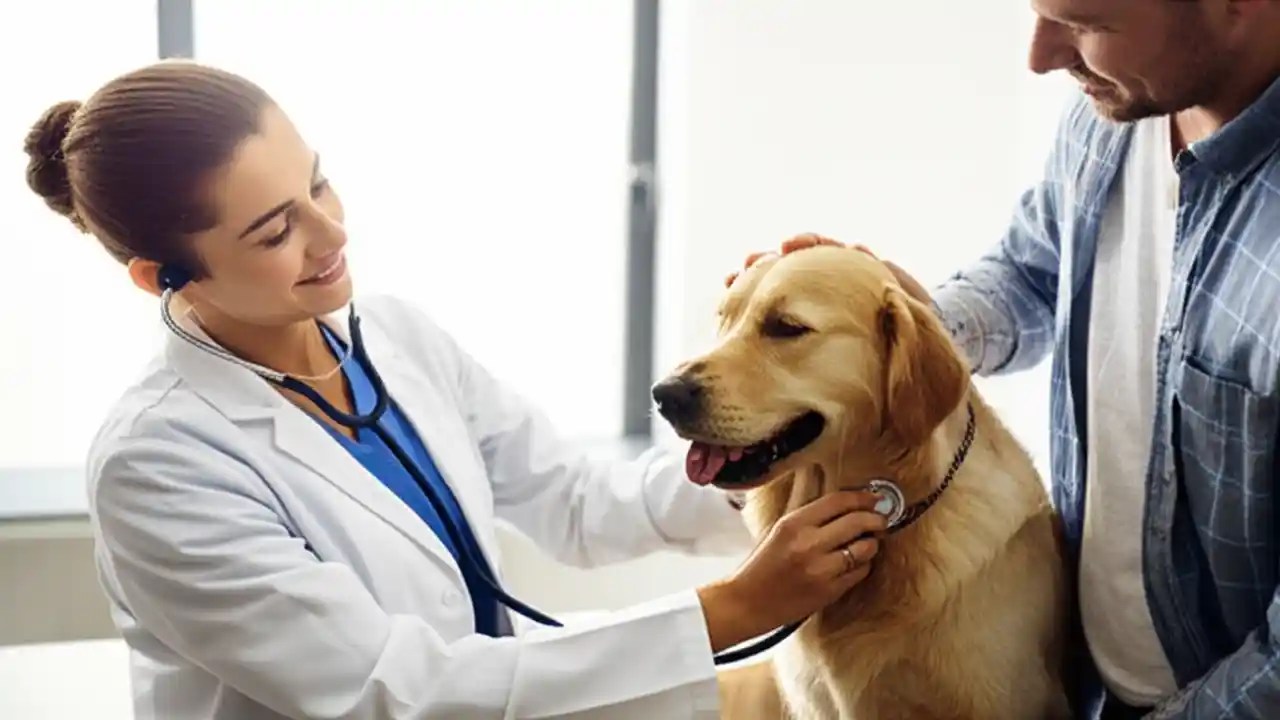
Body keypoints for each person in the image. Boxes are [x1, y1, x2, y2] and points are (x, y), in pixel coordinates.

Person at [23, 60, 889, 720]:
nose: (331, 233)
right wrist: (735, 609)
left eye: (316, 181)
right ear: (162, 277)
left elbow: (579, 501)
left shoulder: (394, 338)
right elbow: (394, 691)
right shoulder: (159, 464)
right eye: (275, 229)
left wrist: (778, 452)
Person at [735, 1, 1280, 718]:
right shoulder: (1114, 111)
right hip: (1095, 687)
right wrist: (901, 337)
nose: (1041, 55)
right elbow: (1029, 274)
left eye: (1086, 21)